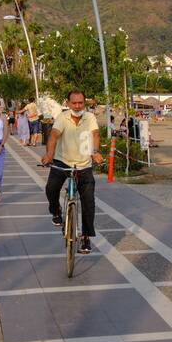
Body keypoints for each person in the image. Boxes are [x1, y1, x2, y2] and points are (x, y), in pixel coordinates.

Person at [40, 89, 104, 255]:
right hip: (63, 162)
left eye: (80, 102)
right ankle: (55, 211)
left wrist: (95, 151)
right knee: (51, 188)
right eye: (74, 103)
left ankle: (86, 237)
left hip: (84, 165)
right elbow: (53, 135)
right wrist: (49, 155)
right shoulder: (62, 118)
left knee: (88, 201)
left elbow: (95, 134)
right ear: (67, 103)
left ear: (84, 103)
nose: (77, 106)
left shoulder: (90, 118)